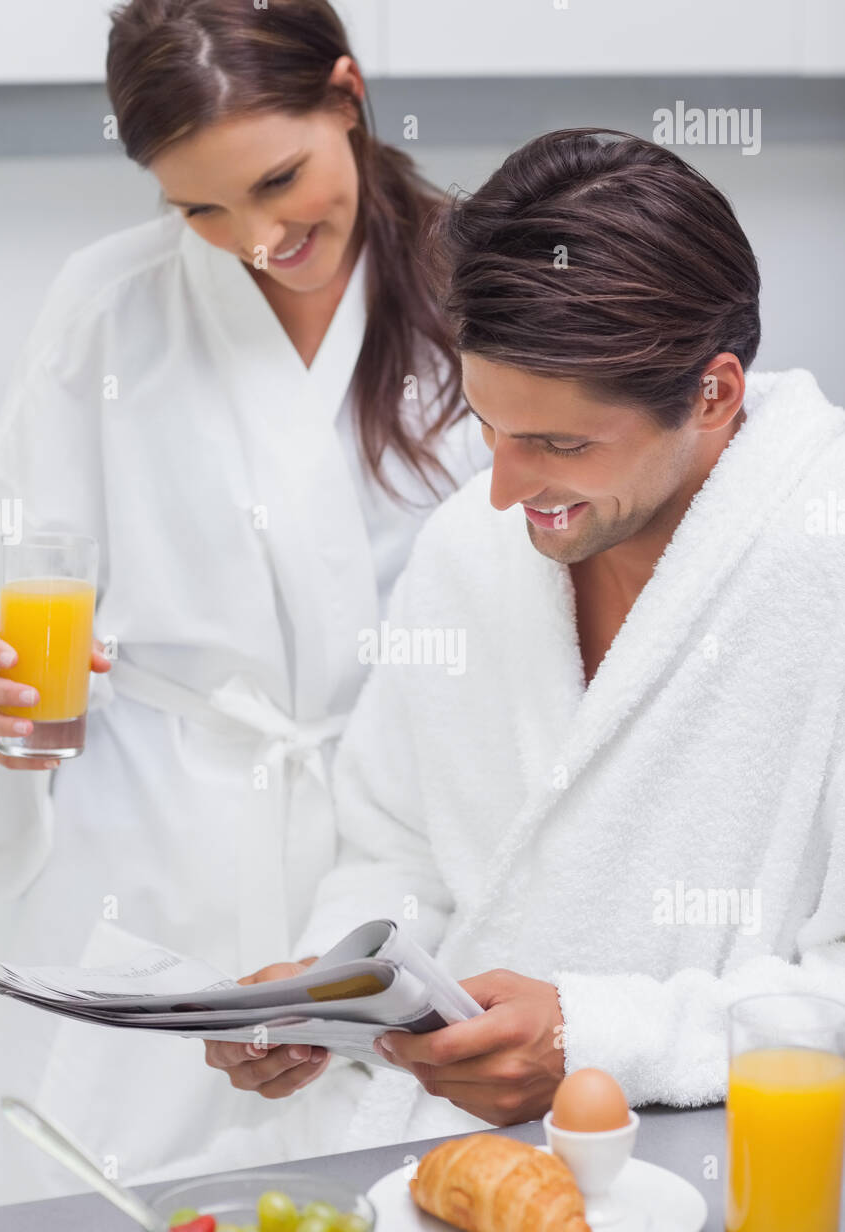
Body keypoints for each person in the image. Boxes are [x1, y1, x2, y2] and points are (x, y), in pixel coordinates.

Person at [206, 128, 845, 1156]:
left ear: (712, 393)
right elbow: (394, 847)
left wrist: (596, 1042)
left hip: (734, 1193)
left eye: (558, 443)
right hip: (443, 1182)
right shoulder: (471, 547)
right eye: (488, 425)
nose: (501, 491)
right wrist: (337, 989)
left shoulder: (823, 564)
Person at [0, 0, 486, 1206]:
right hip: (153, 830)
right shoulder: (109, 301)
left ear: (348, 96)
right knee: (98, 1218)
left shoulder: (482, 283)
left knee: (367, 1211)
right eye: (200, 209)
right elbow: (17, 552)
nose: (256, 235)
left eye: (278, 180)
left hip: (392, 834)